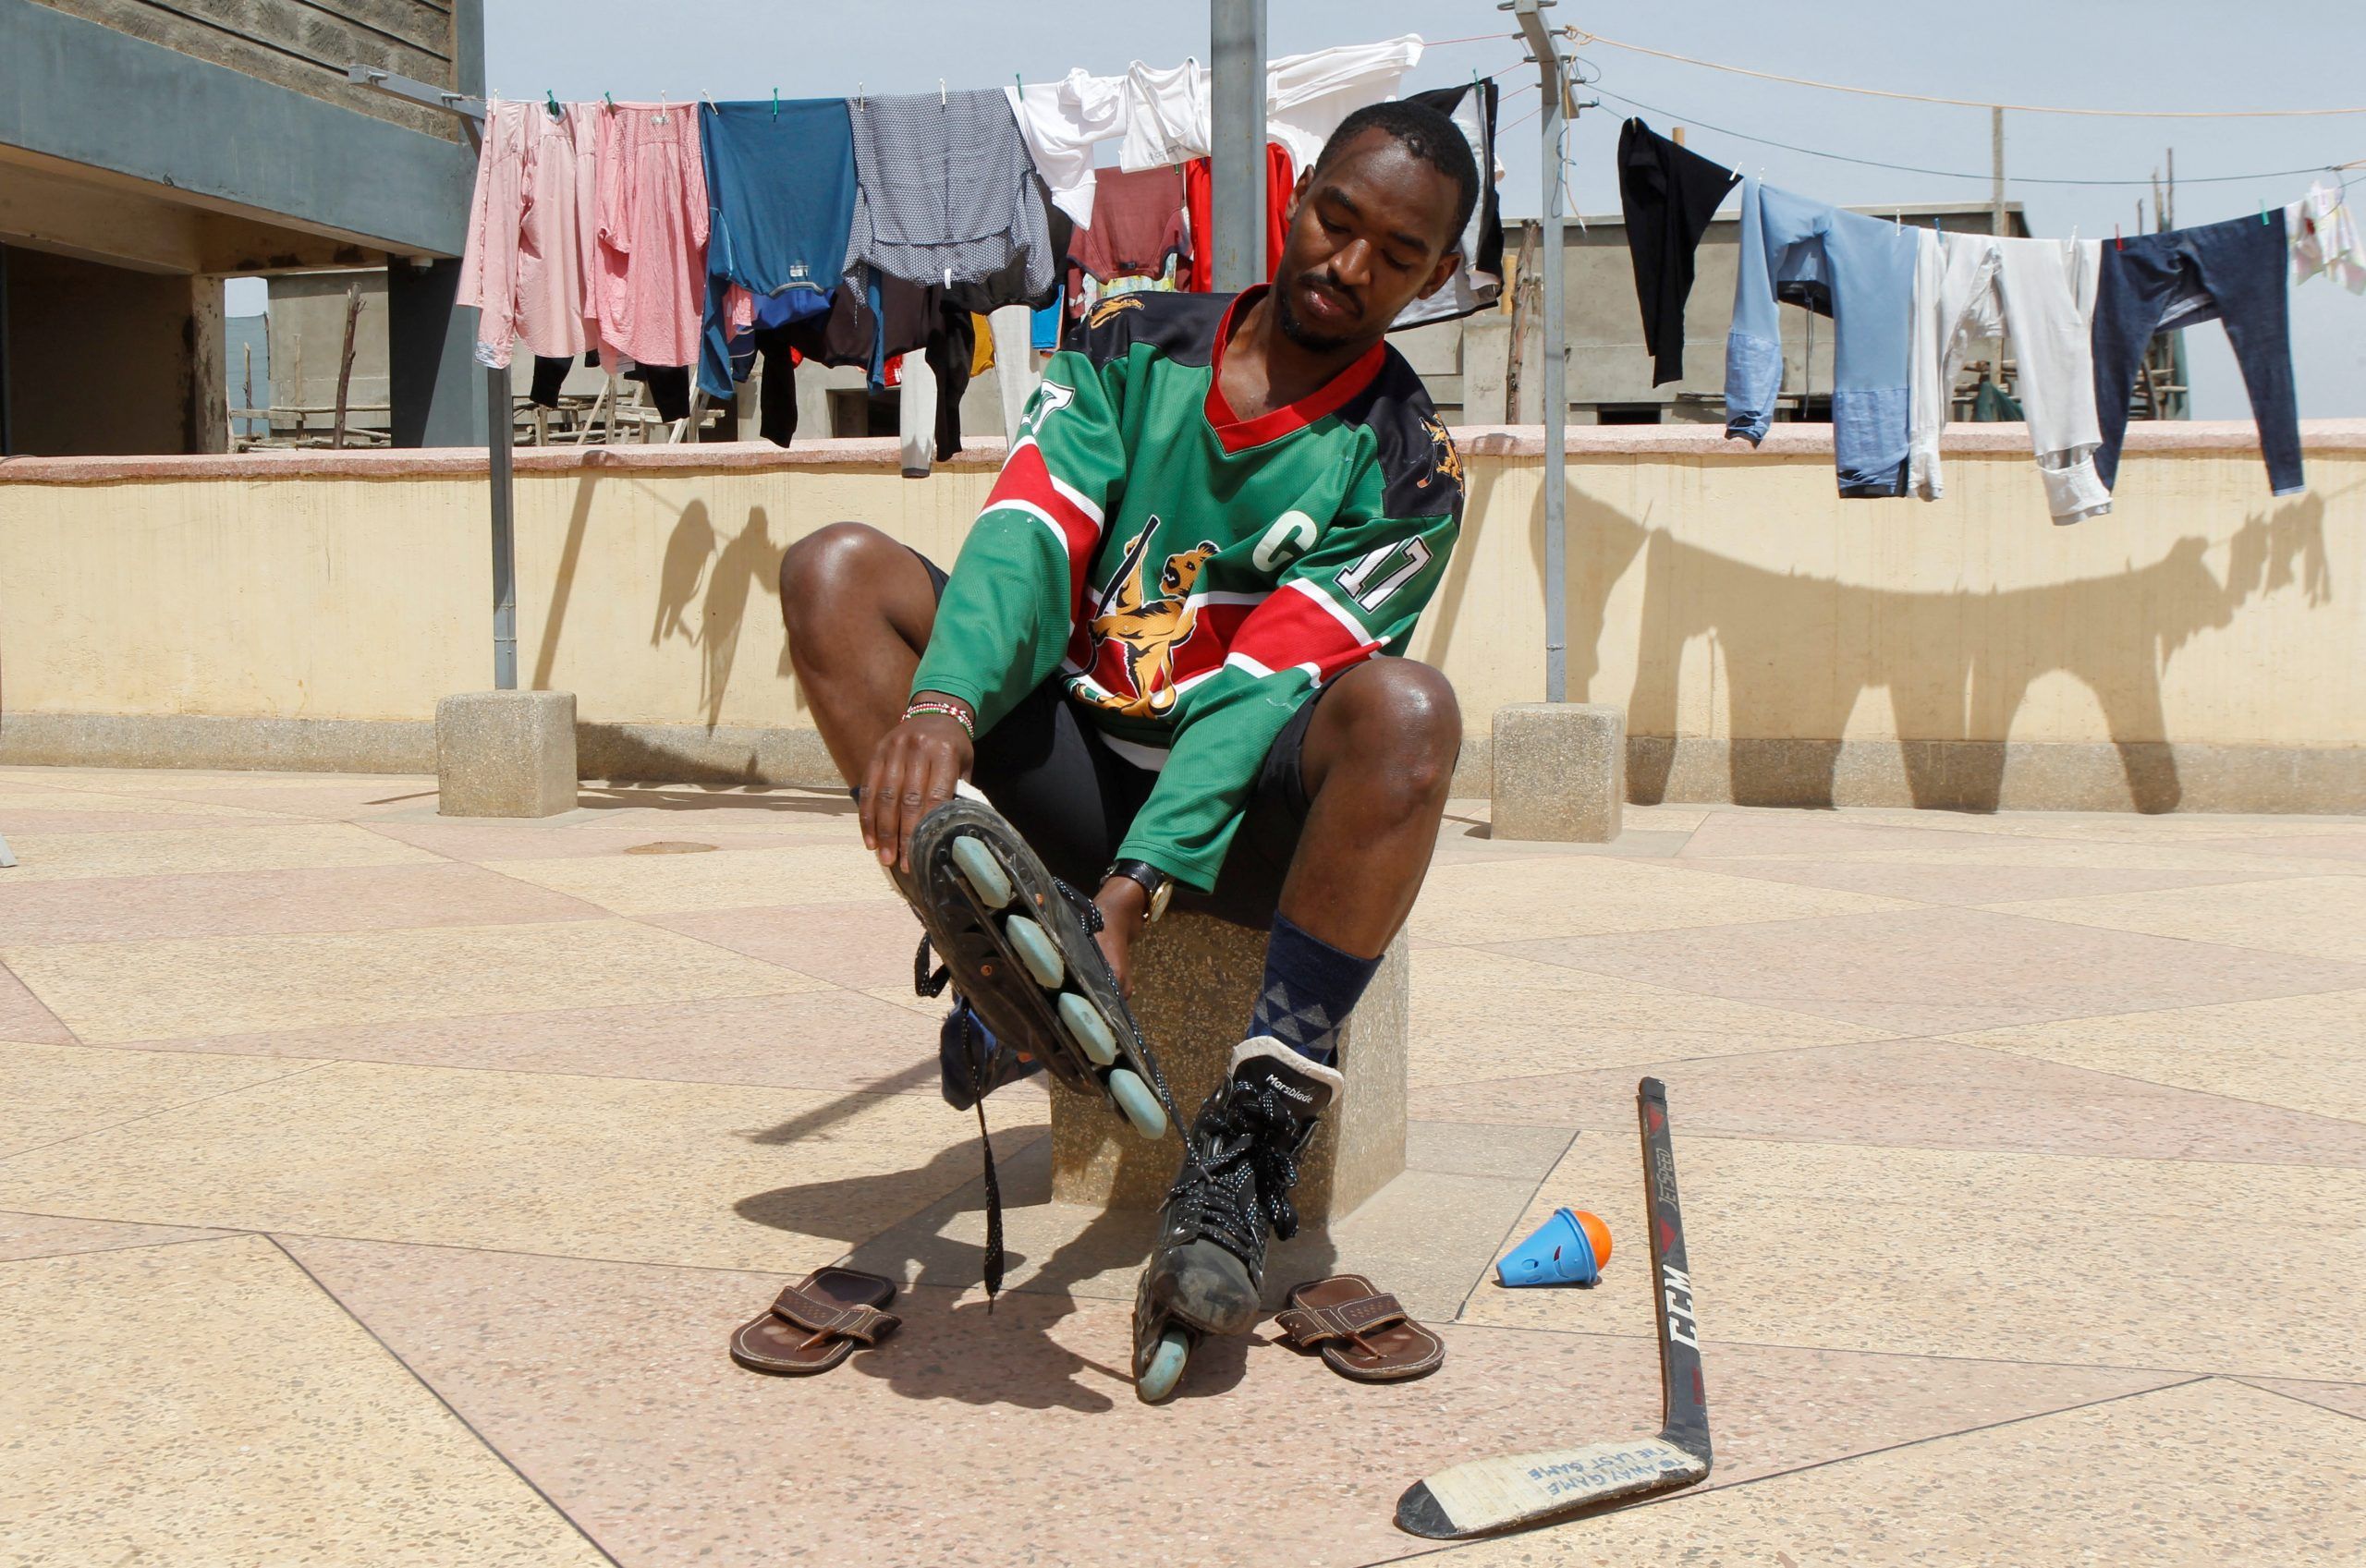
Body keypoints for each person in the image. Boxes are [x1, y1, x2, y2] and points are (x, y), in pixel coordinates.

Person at [778, 100, 1479, 1400]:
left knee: (1410, 711)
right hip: (1076, 757)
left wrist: (1128, 900)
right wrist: (940, 706)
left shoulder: (1408, 467)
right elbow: (1033, 531)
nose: (1349, 262)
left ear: (1436, 275)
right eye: (1337, 217)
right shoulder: (1130, 336)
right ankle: (1002, 963)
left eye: (1397, 251)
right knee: (835, 575)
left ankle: (1245, 1149)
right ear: (1294, 191)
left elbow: (1269, 685)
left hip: (1243, 816)